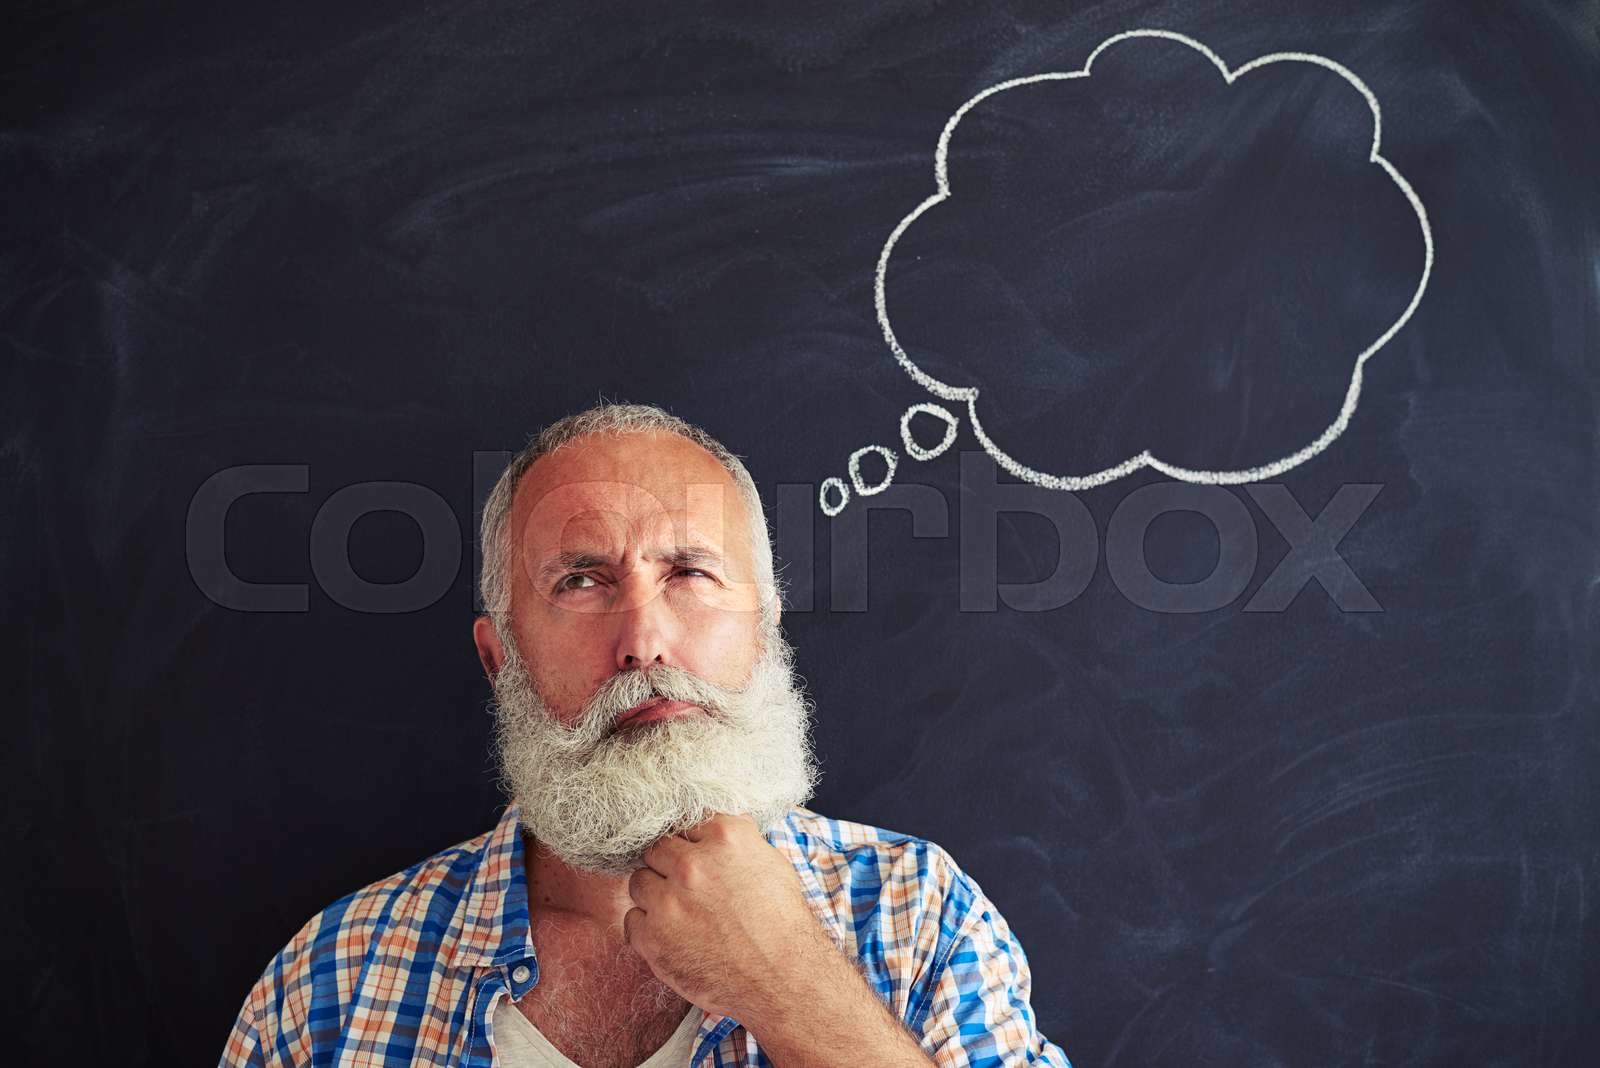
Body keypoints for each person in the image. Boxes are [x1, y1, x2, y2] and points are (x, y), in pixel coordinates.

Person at [219, 402, 1072, 1067]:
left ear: (766, 630)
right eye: (582, 581)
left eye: (691, 573)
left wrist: (793, 989)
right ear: (499, 659)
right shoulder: (333, 981)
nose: (644, 641)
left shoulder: (920, 920)